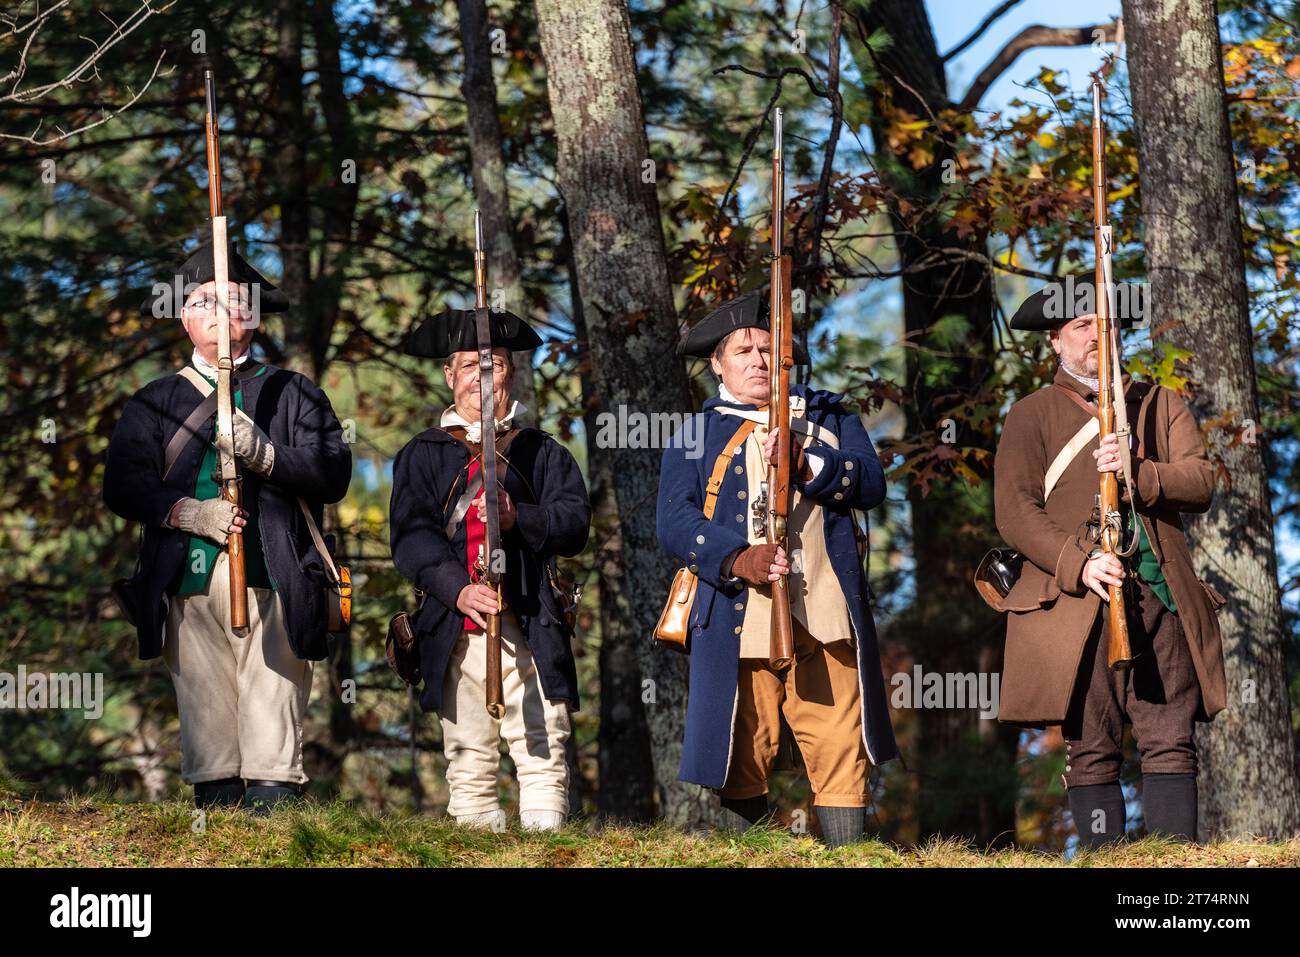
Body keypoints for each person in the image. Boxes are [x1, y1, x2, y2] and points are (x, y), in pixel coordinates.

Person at [105, 242, 352, 812]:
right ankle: (214, 837)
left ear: (255, 317)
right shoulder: (155, 402)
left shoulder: (295, 392)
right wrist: (186, 512)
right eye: (205, 301)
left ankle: (271, 833)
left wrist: (268, 455)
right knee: (209, 735)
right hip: (185, 581)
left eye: (236, 301)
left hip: (278, 579)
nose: (222, 312)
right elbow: (122, 485)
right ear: (186, 316)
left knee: (272, 733)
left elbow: (331, 471)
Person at [656, 290, 898, 847]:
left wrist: (807, 456)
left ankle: (849, 859)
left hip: (826, 607)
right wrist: (738, 558)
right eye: (744, 351)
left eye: (771, 349)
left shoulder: (830, 415)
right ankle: (752, 857)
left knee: (841, 743)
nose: (760, 361)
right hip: (738, 610)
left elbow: (869, 483)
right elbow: (673, 519)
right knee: (743, 746)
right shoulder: (695, 433)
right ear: (718, 364)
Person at [993, 277, 1226, 849]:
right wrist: (1080, 564)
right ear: (1055, 342)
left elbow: (1200, 482)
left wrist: (1139, 471)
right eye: (1080, 326)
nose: (1097, 335)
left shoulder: (1159, 403)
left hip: (1158, 592)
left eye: (1107, 325)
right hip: (1075, 597)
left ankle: (1174, 870)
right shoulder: (1031, 414)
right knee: (1090, 744)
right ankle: (1104, 864)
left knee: (1170, 736)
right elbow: (1015, 514)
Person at [390, 309, 590, 831]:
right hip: (455, 625)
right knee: (468, 753)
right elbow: (412, 540)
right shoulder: (422, 455)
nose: (481, 376)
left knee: (544, 746)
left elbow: (573, 524)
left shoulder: (543, 453)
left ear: (511, 375)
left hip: (531, 621)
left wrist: (518, 516)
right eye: (469, 365)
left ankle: (546, 858)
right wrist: (458, 591)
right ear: (449, 376)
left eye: (494, 364)